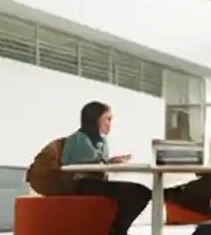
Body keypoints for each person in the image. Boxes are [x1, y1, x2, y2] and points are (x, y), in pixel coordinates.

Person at [61, 101, 152, 235]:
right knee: (138, 193)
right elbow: (78, 164)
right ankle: (117, 231)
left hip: (98, 182)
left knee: (141, 192)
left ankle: (118, 230)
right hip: (81, 184)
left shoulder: (101, 140)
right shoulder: (78, 139)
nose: (109, 124)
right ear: (95, 119)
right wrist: (106, 163)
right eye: (107, 119)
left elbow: (96, 162)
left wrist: (110, 162)